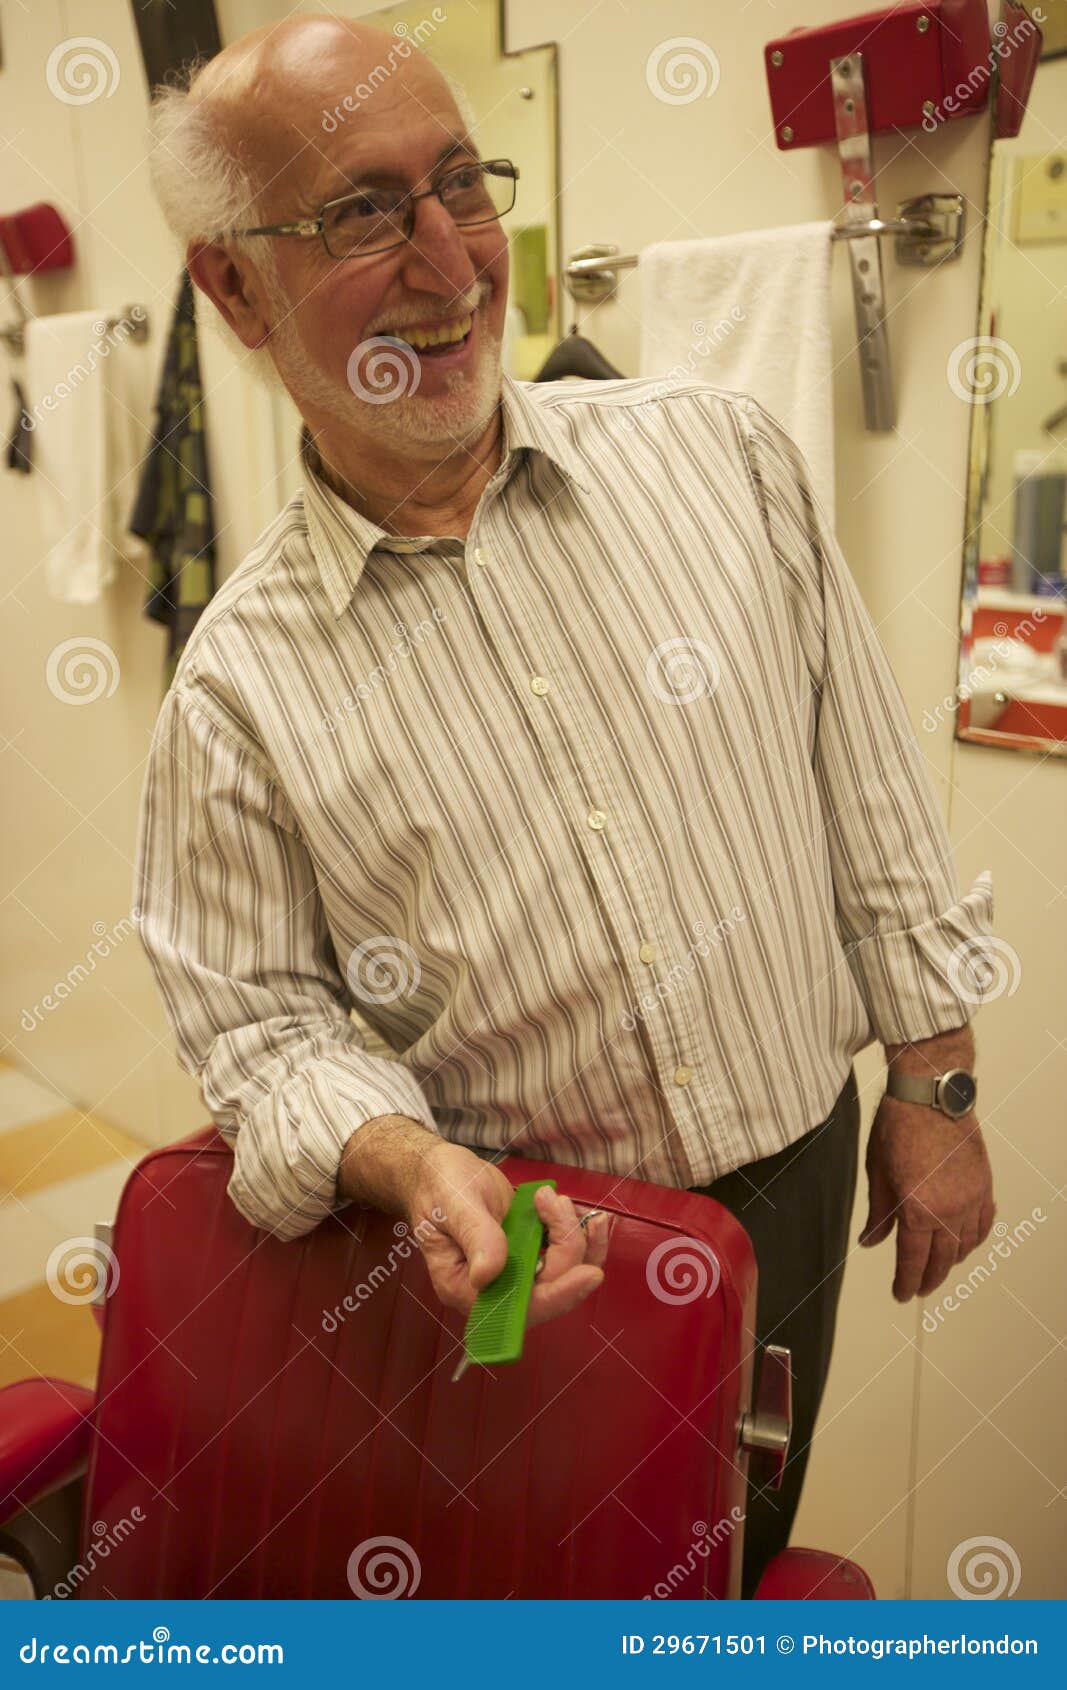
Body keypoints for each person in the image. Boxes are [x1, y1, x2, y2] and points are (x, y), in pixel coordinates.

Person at [135, 14, 997, 1594]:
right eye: (361, 211)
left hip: (800, 1175)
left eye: (462, 182)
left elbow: (863, 786)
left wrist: (934, 1094)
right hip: (530, 1250)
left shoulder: (717, 459)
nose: (450, 259)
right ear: (233, 285)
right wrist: (401, 1160)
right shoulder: (240, 686)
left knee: (735, 1554)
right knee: (547, 1582)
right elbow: (260, 1030)